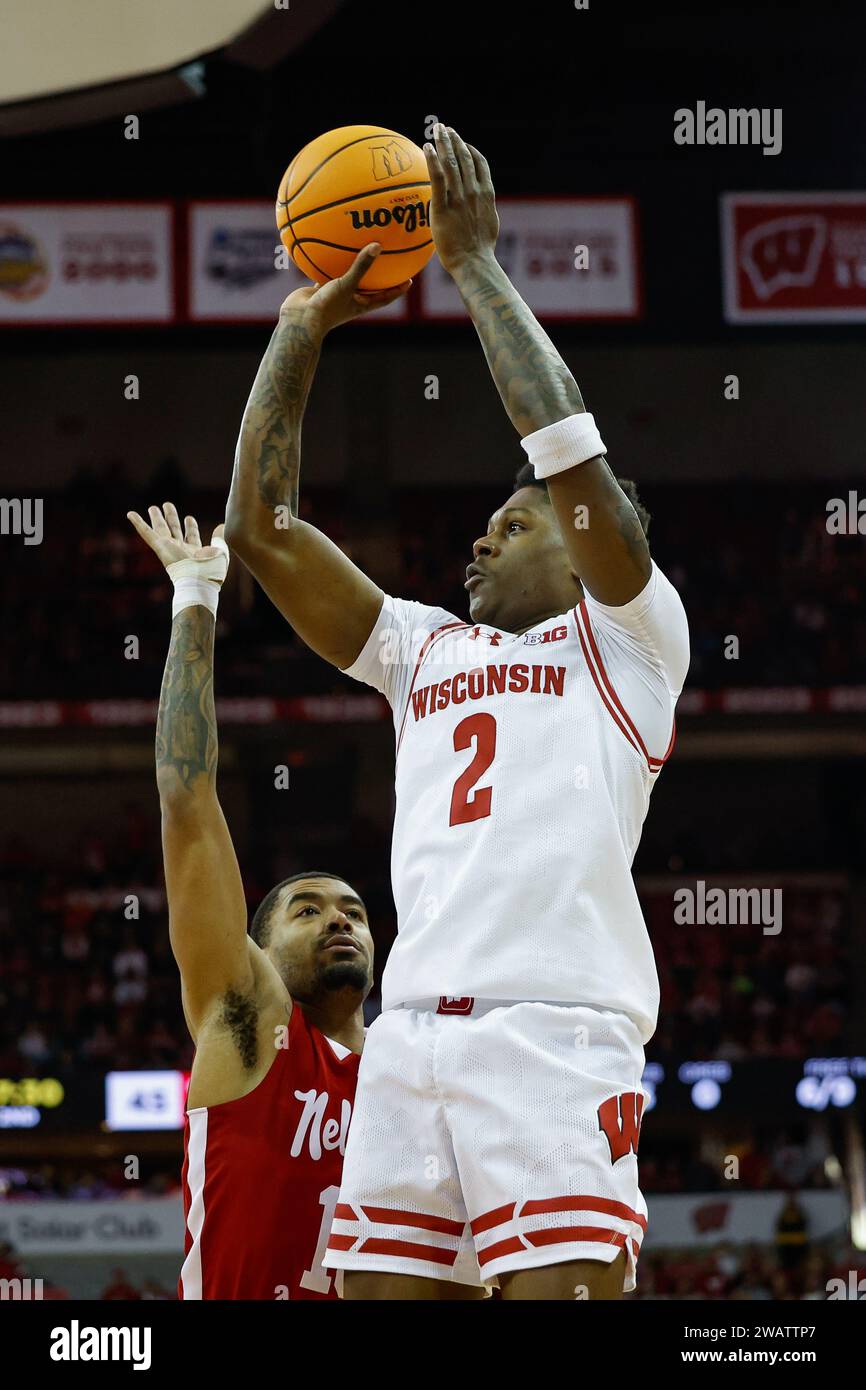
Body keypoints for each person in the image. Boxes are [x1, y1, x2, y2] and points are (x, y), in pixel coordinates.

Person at [225, 123, 689, 1301]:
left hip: (551, 1041)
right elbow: (263, 536)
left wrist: (474, 266)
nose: (483, 532)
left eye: (516, 521)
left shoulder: (629, 641)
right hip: (409, 1041)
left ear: (585, 553)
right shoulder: (421, 643)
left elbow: (568, 451)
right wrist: (295, 333)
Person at [126, 503, 374, 1299]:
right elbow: (187, 798)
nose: (340, 916)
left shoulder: (408, 1071)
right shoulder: (252, 1019)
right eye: (307, 909)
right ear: (258, 949)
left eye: (356, 911)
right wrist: (196, 597)